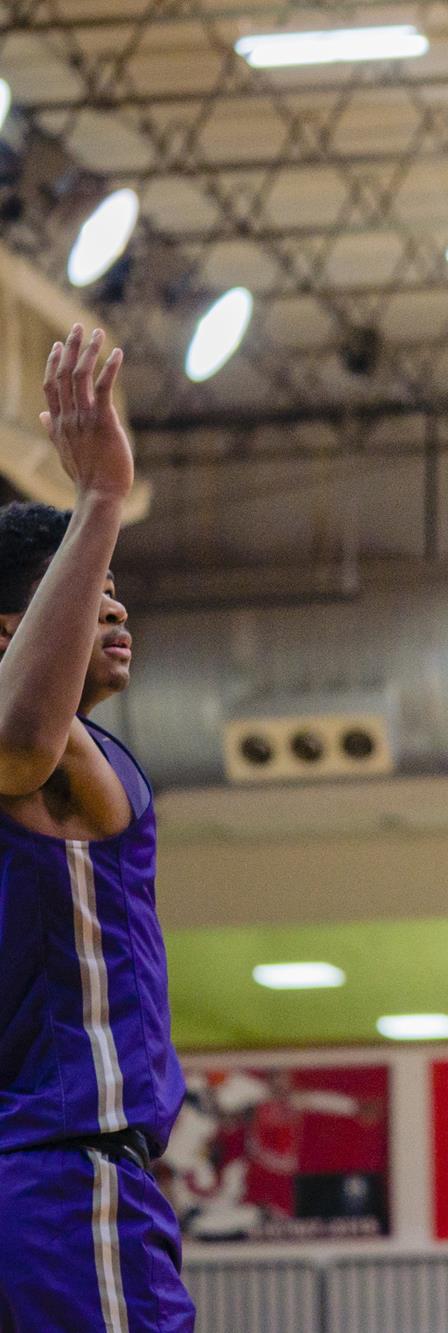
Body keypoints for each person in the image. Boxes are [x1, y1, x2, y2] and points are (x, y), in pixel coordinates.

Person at [0, 327, 194, 1331]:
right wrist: (102, 501)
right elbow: (22, 731)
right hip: (65, 1173)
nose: (113, 609)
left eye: (115, 588)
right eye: (87, 589)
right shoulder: (60, 750)